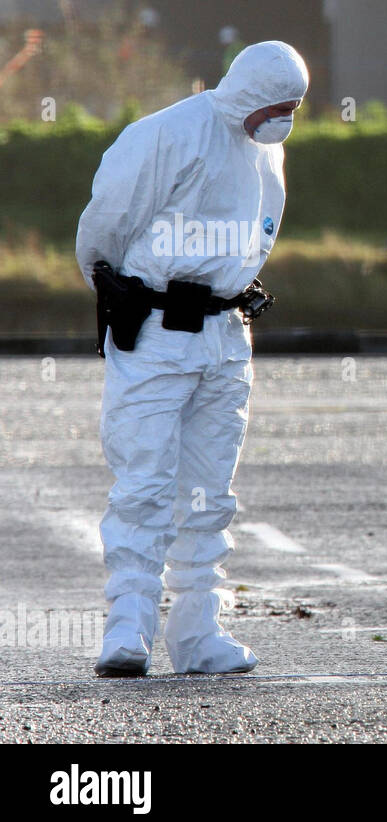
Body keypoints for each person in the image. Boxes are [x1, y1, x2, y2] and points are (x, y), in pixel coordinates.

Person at [76, 41, 309, 676]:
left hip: (227, 331)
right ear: (246, 92)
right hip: (156, 329)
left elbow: (260, 229)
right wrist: (129, 293)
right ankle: (128, 626)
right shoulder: (166, 134)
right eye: (275, 106)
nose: (283, 118)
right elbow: (106, 228)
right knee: (145, 480)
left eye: (292, 108)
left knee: (210, 490)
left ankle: (200, 631)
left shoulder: (267, 149)